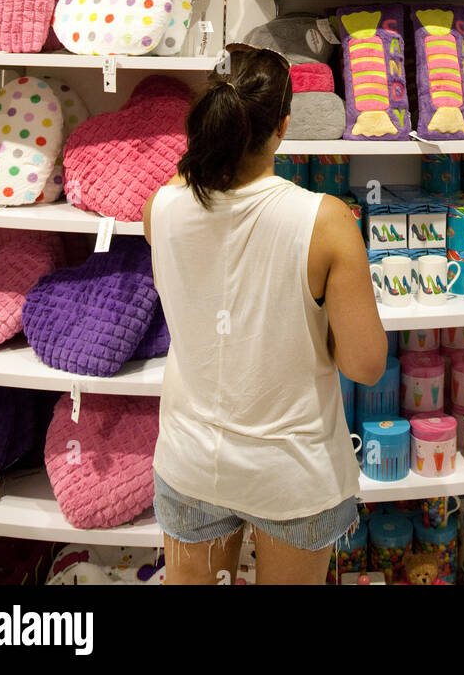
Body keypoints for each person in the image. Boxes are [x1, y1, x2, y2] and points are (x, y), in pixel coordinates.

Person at [143, 42, 387, 586]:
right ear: (283, 126)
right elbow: (366, 364)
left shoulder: (160, 207)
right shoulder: (325, 221)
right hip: (292, 472)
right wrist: (313, 331)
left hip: (190, 458)